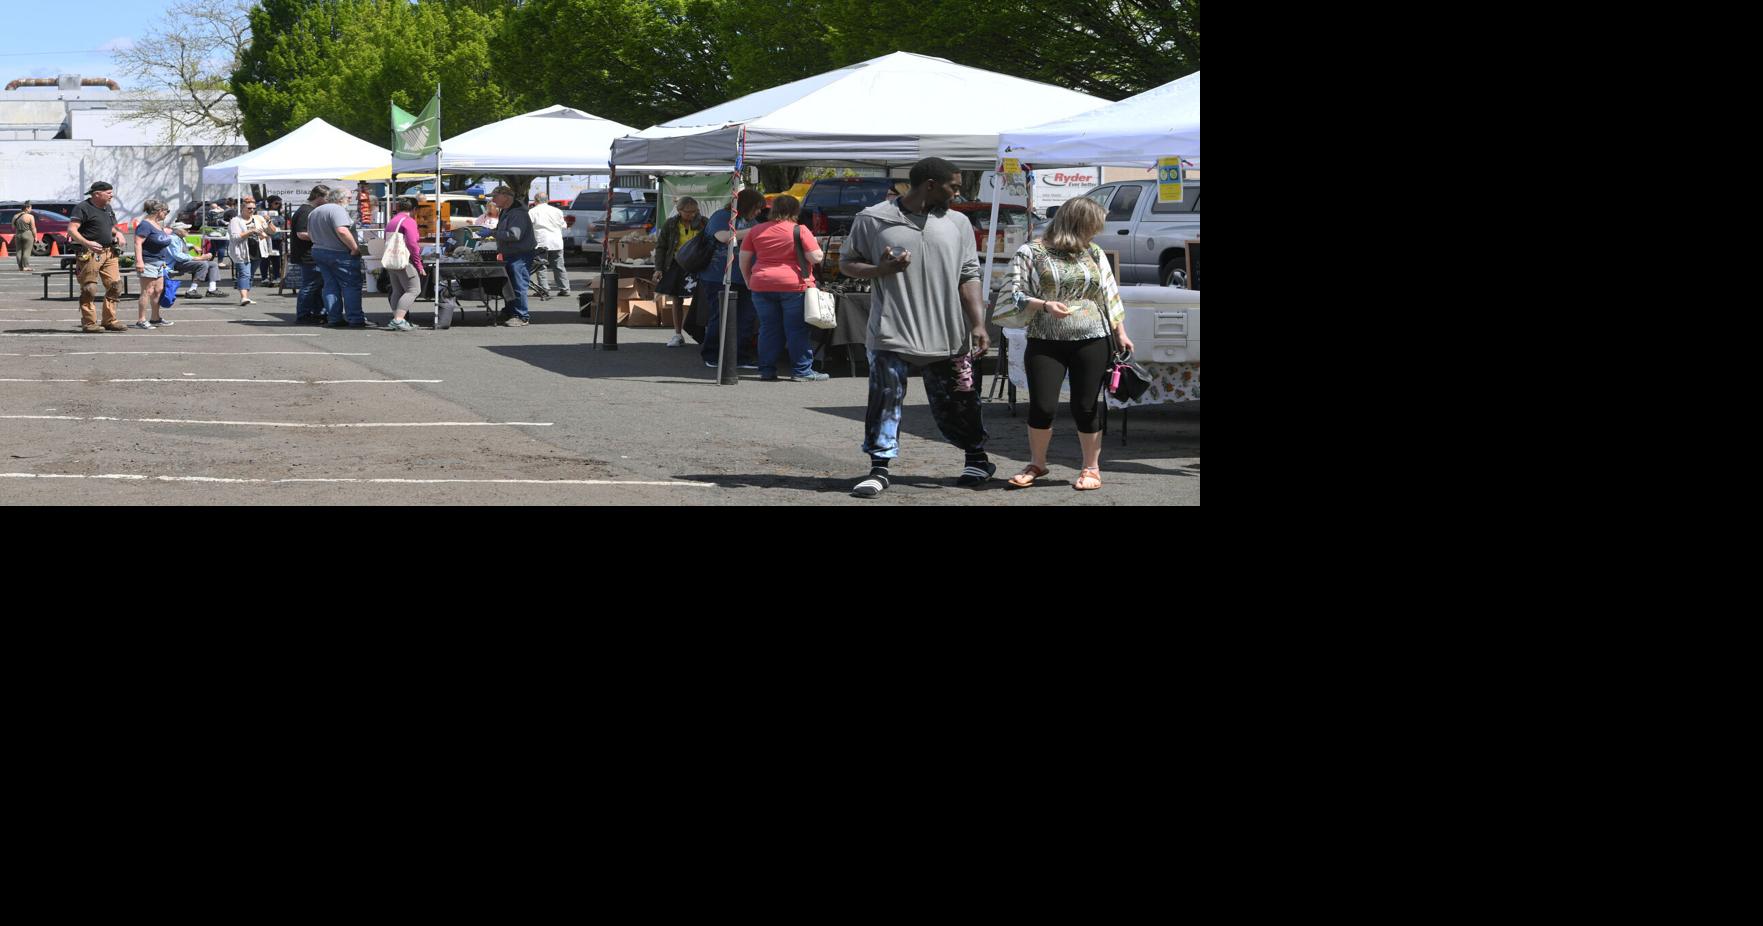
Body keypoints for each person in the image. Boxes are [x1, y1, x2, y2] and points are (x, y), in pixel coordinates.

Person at [840, 157, 993, 497]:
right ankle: (879, 468)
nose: (958, 192)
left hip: (948, 332)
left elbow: (969, 275)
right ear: (930, 185)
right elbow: (847, 264)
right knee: (885, 399)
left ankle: (977, 459)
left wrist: (979, 323)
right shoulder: (873, 219)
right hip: (891, 331)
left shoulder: (959, 222)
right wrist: (880, 270)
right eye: (954, 186)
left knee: (960, 400)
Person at [994, 198, 1135, 492]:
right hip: (1045, 338)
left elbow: (1109, 294)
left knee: (1085, 406)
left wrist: (1120, 332)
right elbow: (1013, 293)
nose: (1096, 233)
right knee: (1042, 406)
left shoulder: (1093, 253)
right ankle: (1037, 463)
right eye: (1092, 226)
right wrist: (1044, 305)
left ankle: (1091, 468)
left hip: (1093, 337)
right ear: (1077, 224)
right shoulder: (1031, 251)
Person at [739, 194, 826, 382]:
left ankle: (767, 370)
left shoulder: (755, 230)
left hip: (761, 284)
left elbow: (743, 258)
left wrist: (749, 280)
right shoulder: (800, 230)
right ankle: (801, 371)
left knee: (768, 328)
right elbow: (816, 257)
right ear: (796, 211)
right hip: (793, 285)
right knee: (796, 329)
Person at [699, 188, 764, 370]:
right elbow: (723, 237)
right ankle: (711, 354)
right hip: (718, 275)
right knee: (720, 315)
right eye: (757, 207)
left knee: (746, 318)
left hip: (744, 277)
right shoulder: (722, 216)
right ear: (747, 205)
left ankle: (740, 356)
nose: (759, 212)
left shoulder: (752, 221)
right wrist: (754, 230)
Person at [308, 187, 372, 328]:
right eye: (349, 197)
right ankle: (355, 318)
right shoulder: (337, 210)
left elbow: (311, 234)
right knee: (351, 286)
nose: (351, 200)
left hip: (319, 250)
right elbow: (342, 230)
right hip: (339, 253)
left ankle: (334, 318)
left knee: (330, 286)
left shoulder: (315, 211)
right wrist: (355, 248)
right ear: (339, 198)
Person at [67, 181, 127, 333]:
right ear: (96, 194)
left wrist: (118, 233)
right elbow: (72, 230)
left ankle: (109, 320)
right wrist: (87, 243)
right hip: (90, 253)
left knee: (116, 286)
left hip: (109, 252)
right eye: (108, 193)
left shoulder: (108, 208)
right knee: (89, 288)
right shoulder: (82, 208)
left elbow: (111, 227)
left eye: (111, 192)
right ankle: (89, 323)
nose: (111, 195)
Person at [654, 196, 705, 347]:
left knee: (703, 299)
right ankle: (677, 334)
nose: (691, 215)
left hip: (698, 265)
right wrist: (658, 268)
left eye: (694, 212)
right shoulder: (671, 224)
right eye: (687, 212)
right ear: (679, 210)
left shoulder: (704, 222)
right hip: (677, 264)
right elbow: (661, 247)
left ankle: (704, 333)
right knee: (676, 299)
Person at [489, 185, 535, 327]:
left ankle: (522, 316)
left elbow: (515, 235)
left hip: (519, 254)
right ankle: (510, 311)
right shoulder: (507, 211)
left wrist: (493, 234)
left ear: (505, 197)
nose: (493, 199)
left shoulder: (517, 213)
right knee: (509, 285)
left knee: (518, 284)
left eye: (495, 196)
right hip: (511, 253)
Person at [382, 197, 426, 333]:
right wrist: (419, 265)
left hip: (391, 260)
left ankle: (396, 318)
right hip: (404, 261)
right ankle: (399, 320)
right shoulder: (409, 221)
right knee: (413, 290)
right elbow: (413, 245)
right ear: (414, 209)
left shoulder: (392, 221)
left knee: (397, 290)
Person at [131, 199, 176, 329]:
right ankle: (141, 320)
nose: (166, 214)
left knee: (158, 291)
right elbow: (138, 242)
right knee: (147, 291)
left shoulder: (157, 224)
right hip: (148, 261)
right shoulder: (145, 225)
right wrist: (139, 261)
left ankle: (155, 318)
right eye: (166, 211)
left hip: (160, 262)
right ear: (159, 211)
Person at [288, 186, 328, 323]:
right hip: (308, 255)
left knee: (316, 286)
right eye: (326, 198)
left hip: (310, 255)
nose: (328, 201)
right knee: (310, 286)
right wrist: (323, 237)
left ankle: (318, 313)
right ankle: (303, 315)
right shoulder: (306, 211)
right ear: (318, 196)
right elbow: (302, 234)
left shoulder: (309, 210)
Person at [227, 195, 271, 306]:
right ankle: (244, 297)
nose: (251, 210)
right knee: (244, 274)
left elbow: (272, 231)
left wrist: (269, 221)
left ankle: (246, 295)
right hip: (241, 252)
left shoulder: (257, 218)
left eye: (253, 208)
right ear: (242, 208)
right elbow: (235, 237)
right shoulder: (236, 221)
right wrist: (251, 231)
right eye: (249, 208)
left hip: (257, 250)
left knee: (250, 275)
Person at [528, 192, 569, 299]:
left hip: (541, 242)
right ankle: (564, 288)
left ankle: (544, 288)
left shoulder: (532, 211)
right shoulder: (557, 211)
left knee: (541, 266)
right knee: (559, 266)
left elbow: (528, 226)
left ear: (535, 200)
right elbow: (564, 225)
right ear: (547, 200)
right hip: (556, 242)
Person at [164, 221, 221, 297]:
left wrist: (193, 246)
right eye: (185, 229)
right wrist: (198, 258)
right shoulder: (173, 239)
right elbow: (178, 256)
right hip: (175, 264)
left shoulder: (179, 238)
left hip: (181, 262)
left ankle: (212, 289)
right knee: (202, 264)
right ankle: (192, 290)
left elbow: (183, 245)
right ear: (178, 231)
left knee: (213, 264)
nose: (188, 231)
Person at [261, 195, 285, 285]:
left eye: (279, 203)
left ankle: (277, 277)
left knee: (276, 258)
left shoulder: (280, 213)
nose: (278, 205)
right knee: (265, 258)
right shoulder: (264, 213)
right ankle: (264, 278)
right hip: (266, 237)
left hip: (277, 238)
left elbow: (282, 224)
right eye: (276, 203)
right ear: (270, 203)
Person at [11, 201, 35, 273]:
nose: (31, 209)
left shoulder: (15, 216)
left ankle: (20, 267)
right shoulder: (30, 216)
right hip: (27, 234)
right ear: (27, 208)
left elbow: (12, 227)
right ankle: (26, 266)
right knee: (26, 251)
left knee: (18, 251)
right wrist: (35, 236)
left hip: (18, 234)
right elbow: (33, 228)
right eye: (30, 208)